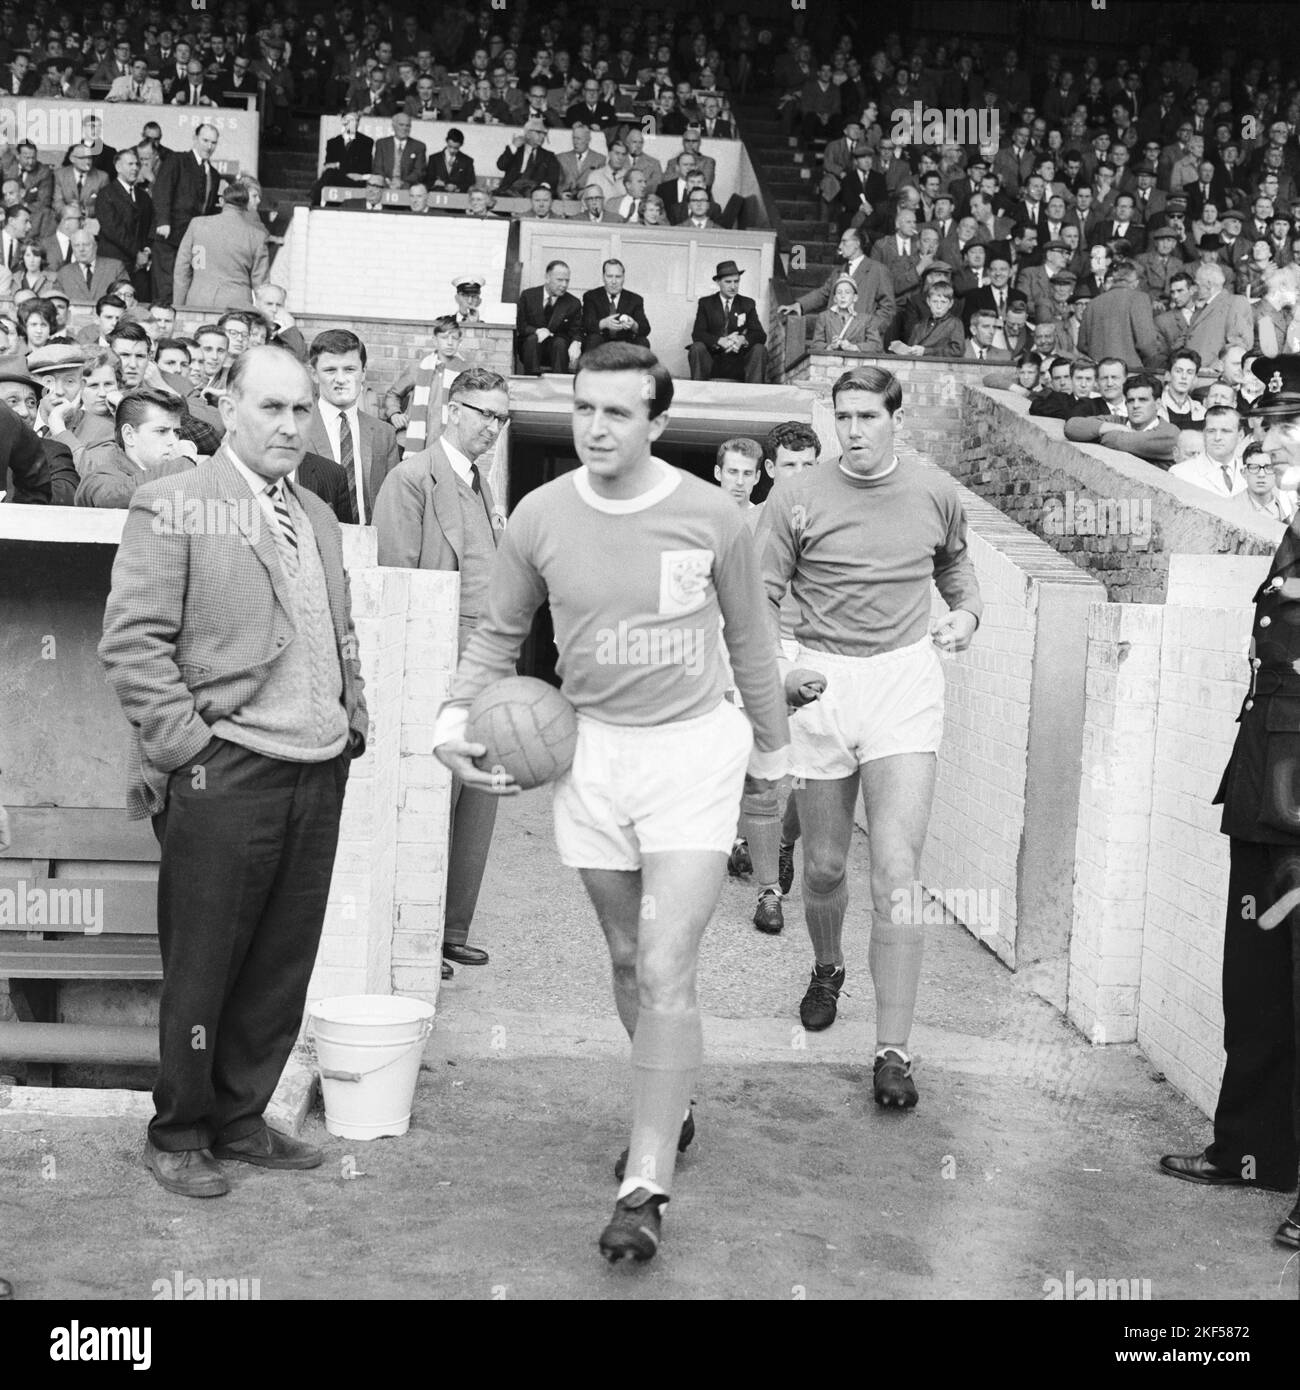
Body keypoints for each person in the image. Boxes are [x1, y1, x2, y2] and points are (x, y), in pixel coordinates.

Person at [432, 342, 788, 1262]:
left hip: (693, 757)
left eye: (618, 412)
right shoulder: (539, 515)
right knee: (629, 960)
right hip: (588, 759)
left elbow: (751, 643)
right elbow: (499, 633)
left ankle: (644, 1185)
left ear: (657, 422)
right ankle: (671, 1097)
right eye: (585, 408)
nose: (596, 426)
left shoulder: (712, 516)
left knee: (669, 966)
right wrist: (447, 722)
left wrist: (774, 756)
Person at [99, 346, 368, 1199]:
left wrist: (352, 717)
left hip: (316, 772)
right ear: (230, 406)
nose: (290, 425)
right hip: (225, 774)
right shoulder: (173, 504)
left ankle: (242, 1119)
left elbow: (339, 627)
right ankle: (178, 1132)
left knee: (282, 963)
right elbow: (133, 644)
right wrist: (190, 751)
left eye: (302, 410)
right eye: (273, 408)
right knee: (205, 965)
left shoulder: (319, 514)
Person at [762, 365, 981, 1109]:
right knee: (823, 867)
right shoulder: (795, 496)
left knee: (896, 869)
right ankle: (827, 967)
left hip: (904, 682)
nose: (853, 431)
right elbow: (759, 597)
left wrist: (967, 616)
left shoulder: (934, 490)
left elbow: (957, 570)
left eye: (866, 417)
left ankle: (893, 1051)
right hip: (821, 679)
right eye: (842, 417)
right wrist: (782, 674)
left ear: (896, 418)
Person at [1160, 355, 1300, 1253]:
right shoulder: (1292, 538)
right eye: (1271, 450)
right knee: (1256, 983)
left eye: (1288, 450)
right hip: (1268, 796)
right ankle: (1253, 1150)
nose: (1273, 465)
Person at [373, 368, 511, 981]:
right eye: (484, 413)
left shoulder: (481, 484)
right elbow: (394, 580)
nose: (493, 427)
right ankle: (420, 935)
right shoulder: (412, 479)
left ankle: (453, 929)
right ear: (453, 409)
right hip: (436, 663)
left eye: (502, 419)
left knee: (478, 798)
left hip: (486, 662)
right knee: (430, 799)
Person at [304, 329, 399, 525]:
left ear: (363, 373)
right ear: (314, 374)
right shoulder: (297, 428)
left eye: (350, 369)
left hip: (368, 546)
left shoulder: (384, 433)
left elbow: (393, 504)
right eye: (330, 370)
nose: (340, 379)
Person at [73, 384, 194, 507]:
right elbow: (114, 497)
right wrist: (183, 463)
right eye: (161, 431)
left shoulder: (178, 473)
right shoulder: (100, 478)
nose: (173, 441)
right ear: (129, 435)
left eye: (176, 432)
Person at [150, 124, 225, 305]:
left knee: (187, 283)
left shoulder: (213, 174)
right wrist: (163, 221)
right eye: (205, 140)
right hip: (169, 234)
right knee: (165, 285)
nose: (209, 146)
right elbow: (162, 189)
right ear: (195, 138)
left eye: (213, 142)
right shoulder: (177, 160)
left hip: (194, 239)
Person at [383, 315, 474, 452]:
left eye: (454, 338)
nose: (450, 343)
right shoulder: (420, 367)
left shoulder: (465, 373)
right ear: (435, 340)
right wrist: (395, 413)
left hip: (447, 442)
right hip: (414, 439)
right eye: (444, 338)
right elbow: (393, 394)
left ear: (459, 341)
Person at [173, 182, 270, 308]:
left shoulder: (197, 225)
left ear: (221, 201)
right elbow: (261, 286)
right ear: (246, 204)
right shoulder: (257, 236)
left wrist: (178, 307)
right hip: (237, 305)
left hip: (198, 300)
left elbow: (182, 270)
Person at [1064, 373, 1180, 465]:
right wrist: (1116, 427)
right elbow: (1072, 426)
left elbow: (1119, 441)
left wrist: (1103, 433)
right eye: (1130, 401)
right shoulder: (1118, 422)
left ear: (1158, 404)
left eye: (1143, 400)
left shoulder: (1170, 433)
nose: (1135, 405)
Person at [687, 261, 766, 384]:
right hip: (713, 362)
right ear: (718, 282)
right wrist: (720, 341)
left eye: (736, 281)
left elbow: (760, 335)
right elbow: (698, 333)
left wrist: (742, 339)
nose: (733, 286)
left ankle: (754, 394)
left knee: (759, 349)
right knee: (697, 347)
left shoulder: (747, 303)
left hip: (739, 362)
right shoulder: (706, 303)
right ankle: (699, 393)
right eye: (728, 282)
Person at [516, 260, 582, 376]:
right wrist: (537, 331)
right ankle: (532, 384)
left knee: (560, 343)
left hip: (558, 351)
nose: (564, 285)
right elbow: (521, 325)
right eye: (560, 280)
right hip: (531, 349)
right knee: (532, 340)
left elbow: (576, 331)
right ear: (547, 278)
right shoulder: (528, 296)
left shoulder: (573, 303)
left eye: (567, 280)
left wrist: (576, 342)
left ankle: (559, 387)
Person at [1167, 406, 1246, 495]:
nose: (1217, 437)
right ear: (1204, 434)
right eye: (1211, 431)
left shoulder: (1252, 471)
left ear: (1240, 435)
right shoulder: (1180, 473)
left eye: (1225, 431)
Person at [581, 260, 651, 354]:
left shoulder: (635, 299)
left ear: (623, 278)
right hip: (600, 342)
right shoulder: (591, 296)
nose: (614, 281)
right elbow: (586, 325)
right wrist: (603, 323)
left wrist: (634, 325)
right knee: (593, 339)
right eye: (609, 276)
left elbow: (646, 329)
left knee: (643, 342)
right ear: (603, 277)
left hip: (625, 343)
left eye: (618, 277)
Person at [1233, 439, 1296, 527]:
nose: (1261, 474)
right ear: (1243, 472)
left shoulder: (1290, 512)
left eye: (1268, 467)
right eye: (1254, 467)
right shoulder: (1230, 508)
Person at [371, 113, 427, 190]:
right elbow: (377, 168)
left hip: (408, 187)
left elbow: (419, 171)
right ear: (393, 126)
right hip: (384, 185)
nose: (405, 128)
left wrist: (403, 183)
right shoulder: (382, 144)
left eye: (408, 126)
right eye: (401, 125)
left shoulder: (419, 146)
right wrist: (386, 181)